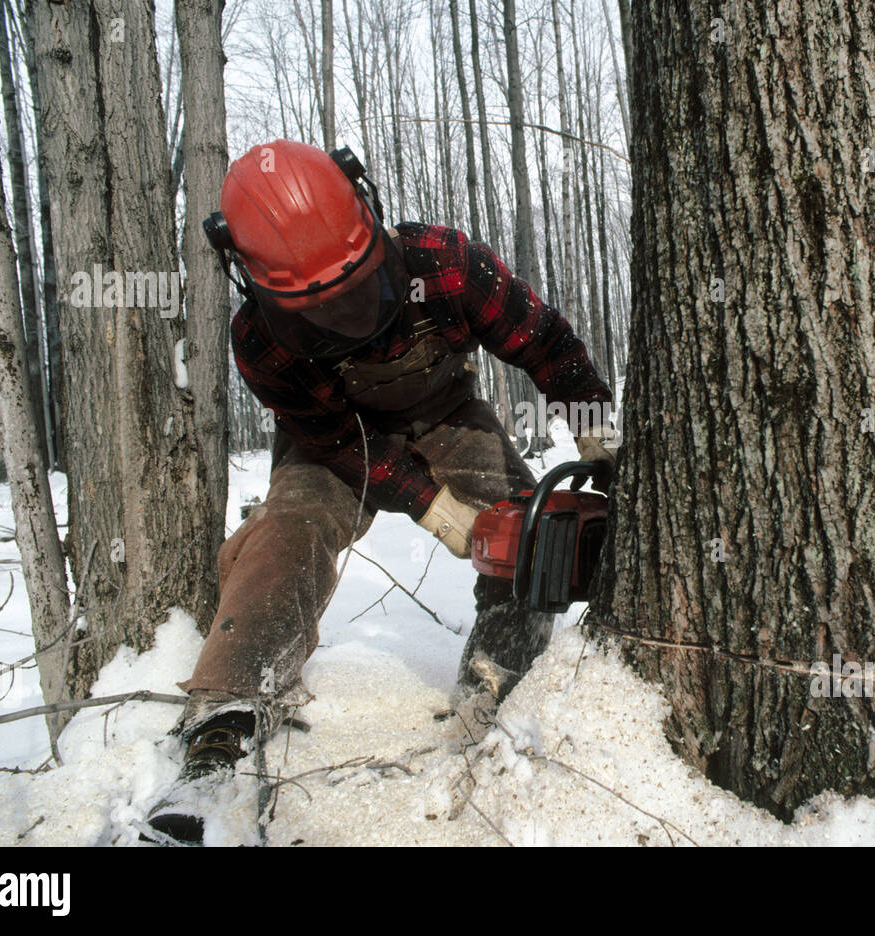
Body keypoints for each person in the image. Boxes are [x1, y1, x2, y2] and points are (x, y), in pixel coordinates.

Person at [143, 139, 615, 843]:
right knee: (285, 536)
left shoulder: (446, 266)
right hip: (335, 441)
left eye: (362, 291)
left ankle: (497, 673)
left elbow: (544, 342)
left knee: (525, 525)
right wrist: (429, 504)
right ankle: (223, 717)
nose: (348, 319)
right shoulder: (262, 342)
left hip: (447, 412)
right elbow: (337, 441)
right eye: (321, 312)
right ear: (260, 288)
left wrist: (597, 433)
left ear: (371, 216)